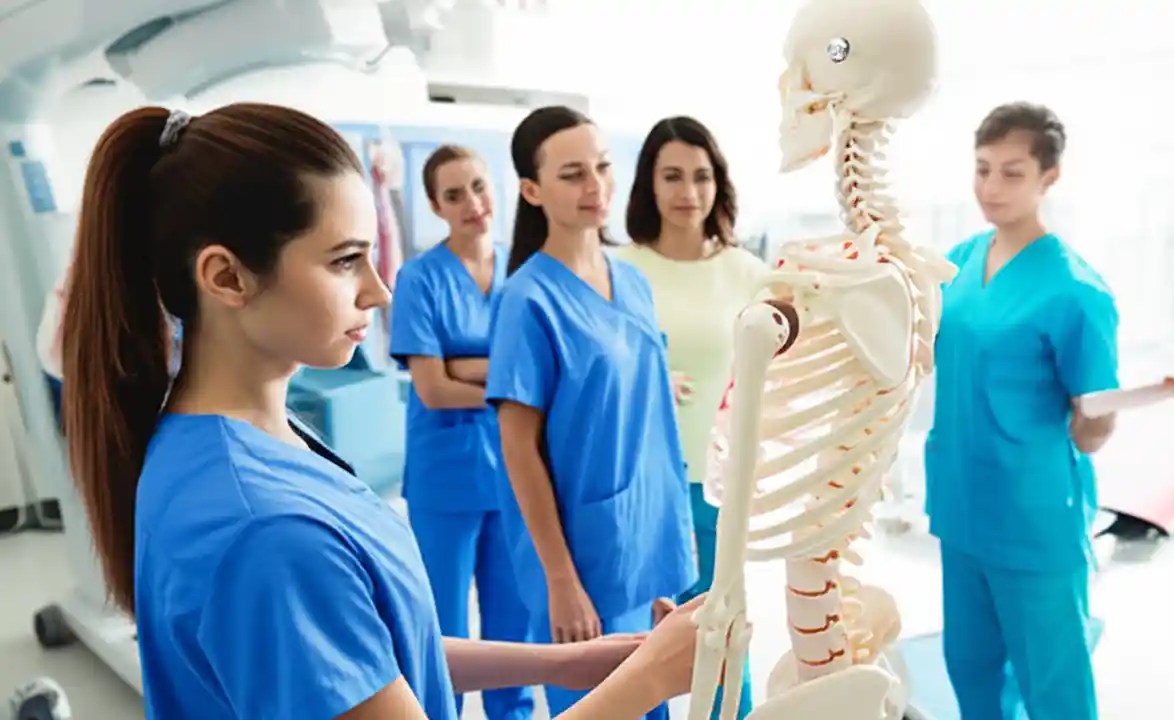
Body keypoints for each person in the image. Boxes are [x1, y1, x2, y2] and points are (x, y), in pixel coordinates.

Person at [58, 101, 705, 720]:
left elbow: (376, 653)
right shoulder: (266, 533)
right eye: (345, 261)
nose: (379, 287)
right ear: (227, 278)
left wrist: (569, 663)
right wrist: (648, 678)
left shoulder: (258, 444)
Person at [485, 105, 698, 719]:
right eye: (573, 173)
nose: (596, 186)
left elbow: (645, 407)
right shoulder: (528, 300)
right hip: (588, 558)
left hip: (651, 541)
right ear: (532, 190)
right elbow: (518, 449)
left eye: (602, 167)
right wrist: (560, 580)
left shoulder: (632, 282)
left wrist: (673, 529)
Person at [924, 102, 1119, 720]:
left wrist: (1091, 416)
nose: (991, 188)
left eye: (1011, 172)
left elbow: (1093, 431)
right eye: (982, 170)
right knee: (972, 671)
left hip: (1033, 521)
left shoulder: (1076, 290)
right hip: (961, 509)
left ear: (1048, 177)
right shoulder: (956, 262)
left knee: (1054, 688)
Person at [614, 115, 766, 719]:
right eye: (671, 176)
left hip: (720, 484)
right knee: (643, 646)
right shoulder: (619, 270)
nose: (688, 192)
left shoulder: (752, 274)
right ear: (648, 185)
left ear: (719, 183)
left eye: (701, 176)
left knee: (724, 637)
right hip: (639, 484)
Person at [389, 144, 533, 718]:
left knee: (512, 629)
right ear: (435, 206)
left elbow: (540, 373)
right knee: (443, 629)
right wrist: (507, 382)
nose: (472, 203)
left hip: (517, 474)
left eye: (478, 186)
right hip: (444, 477)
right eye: (454, 194)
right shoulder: (419, 279)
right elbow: (433, 389)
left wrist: (462, 363)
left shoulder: (522, 272)